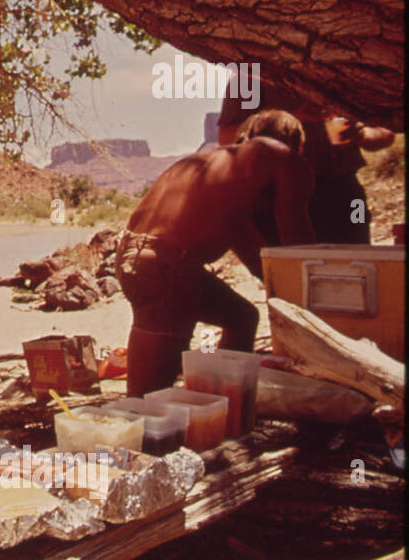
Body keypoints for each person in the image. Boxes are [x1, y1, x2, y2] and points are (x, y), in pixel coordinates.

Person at [118, 110, 315, 396]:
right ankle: (162, 425)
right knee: (148, 399)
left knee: (241, 318)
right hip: (168, 266)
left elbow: (249, 247)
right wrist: (312, 309)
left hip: (133, 257)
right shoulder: (285, 160)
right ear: (295, 140)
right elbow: (299, 252)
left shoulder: (218, 165)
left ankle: (226, 401)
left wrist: (275, 288)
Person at [218, 96, 394, 244]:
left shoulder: (345, 67)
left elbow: (387, 133)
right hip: (281, 196)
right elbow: (225, 137)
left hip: (346, 191)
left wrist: (363, 134)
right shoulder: (250, 74)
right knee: (296, 272)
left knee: (360, 260)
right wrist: (284, 121)